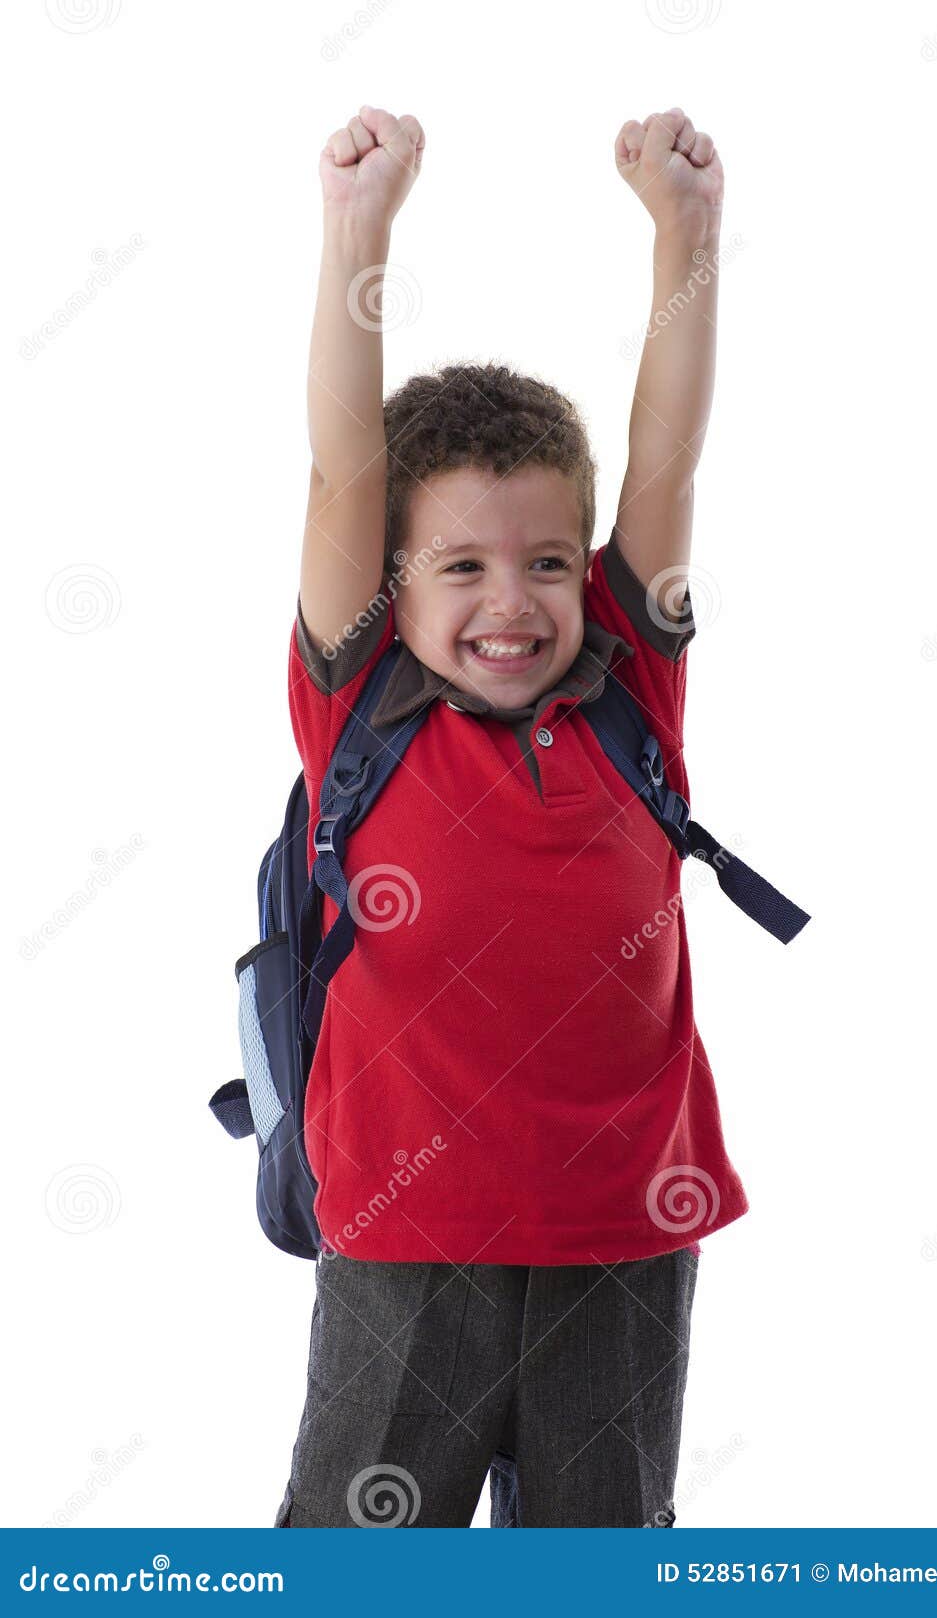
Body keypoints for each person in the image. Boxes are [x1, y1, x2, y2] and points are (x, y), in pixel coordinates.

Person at [276, 103, 738, 1528]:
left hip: (626, 1230)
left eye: (547, 558)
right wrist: (360, 235)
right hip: (415, 1235)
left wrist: (687, 238)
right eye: (461, 565)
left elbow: (663, 466)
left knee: (600, 1556)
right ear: (392, 589)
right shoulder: (358, 705)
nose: (511, 600)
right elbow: (348, 467)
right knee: (363, 1556)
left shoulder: (627, 683)